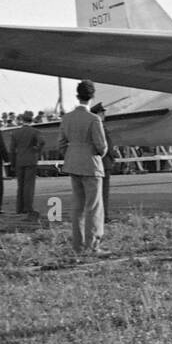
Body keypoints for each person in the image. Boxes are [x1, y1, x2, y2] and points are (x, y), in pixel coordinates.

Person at [59, 80, 109, 254]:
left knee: (77, 206)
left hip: (73, 164)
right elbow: (101, 146)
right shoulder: (94, 119)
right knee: (94, 206)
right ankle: (93, 245)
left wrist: (72, 154)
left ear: (77, 95)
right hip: (91, 164)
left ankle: (78, 245)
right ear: (92, 97)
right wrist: (95, 155)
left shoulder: (66, 118)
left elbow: (61, 144)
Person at [11, 110, 44, 218]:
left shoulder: (15, 132)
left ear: (22, 120)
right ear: (31, 119)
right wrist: (37, 150)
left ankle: (19, 208)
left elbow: (12, 149)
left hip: (19, 160)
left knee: (20, 185)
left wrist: (12, 163)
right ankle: (28, 207)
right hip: (31, 160)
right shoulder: (35, 132)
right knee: (29, 185)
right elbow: (42, 141)